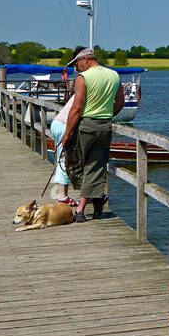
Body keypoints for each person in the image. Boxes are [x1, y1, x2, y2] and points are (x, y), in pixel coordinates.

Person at [59, 47, 123, 221]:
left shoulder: (83, 77)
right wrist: (108, 114)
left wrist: (67, 134)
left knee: (76, 163)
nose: (76, 69)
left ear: (85, 60)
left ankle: (80, 209)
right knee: (96, 165)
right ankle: (97, 199)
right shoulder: (114, 75)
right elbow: (120, 103)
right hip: (105, 126)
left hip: (86, 125)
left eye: (77, 64)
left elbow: (77, 108)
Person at [47, 94, 76, 203]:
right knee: (64, 161)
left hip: (58, 123)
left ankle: (62, 195)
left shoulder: (82, 87)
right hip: (65, 126)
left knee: (61, 159)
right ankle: (62, 196)